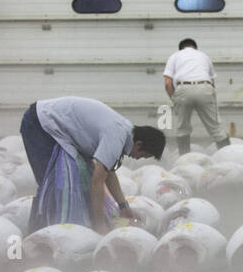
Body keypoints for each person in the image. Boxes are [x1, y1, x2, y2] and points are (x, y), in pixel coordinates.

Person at [18, 96, 165, 233]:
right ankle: (40, 231)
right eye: (143, 155)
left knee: (64, 184)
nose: (139, 159)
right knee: (54, 184)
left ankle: (51, 227)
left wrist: (123, 207)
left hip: (52, 126)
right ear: (138, 144)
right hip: (40, 124)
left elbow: (108, 173)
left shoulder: (123, 132)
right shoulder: (117, 135)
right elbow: (97, 181)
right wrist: (99, 225)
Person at [163, 38, 230, 156]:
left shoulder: (175, 56)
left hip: (183, 89)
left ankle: (184, 159)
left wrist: (174, 99)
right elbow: (212, 82)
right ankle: (229, 157)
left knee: (182, 128)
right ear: (195, 48)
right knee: (216, 128)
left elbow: (167, 83)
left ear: (181, 48)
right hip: (205, 87)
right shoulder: (204, 56)